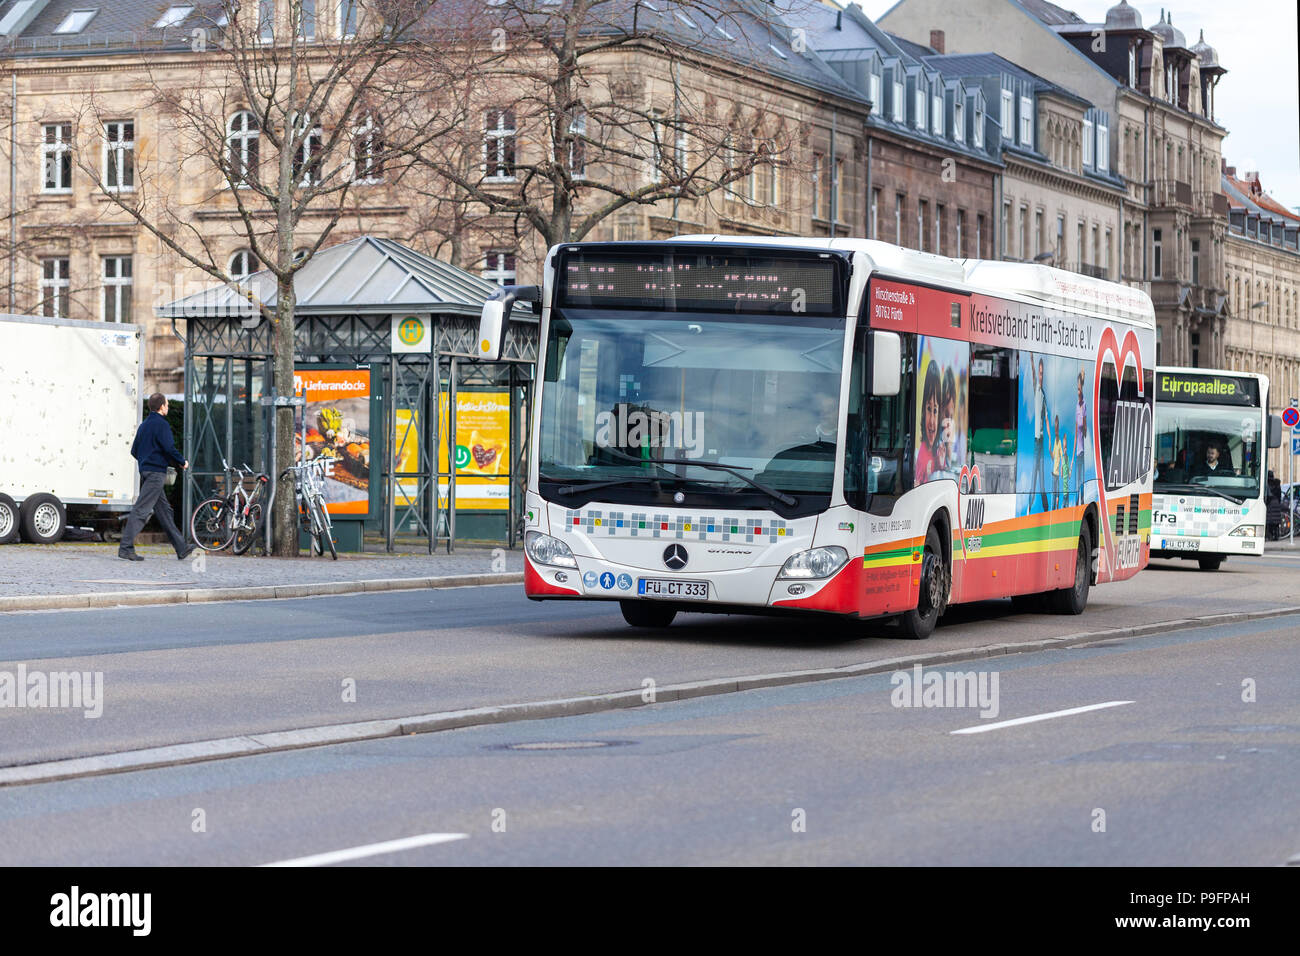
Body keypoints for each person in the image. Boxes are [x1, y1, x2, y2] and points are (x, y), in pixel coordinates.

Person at [120, 393, 193, 562]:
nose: (167, 407)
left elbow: (134, 450)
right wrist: (182, 462)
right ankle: (125, 547)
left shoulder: (144, 425)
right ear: (161, 407)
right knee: (142, 510)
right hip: (156, 474)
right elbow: (169, 448)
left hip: (146, 471)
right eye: (166, 405)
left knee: (164, 511)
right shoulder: (162, 425)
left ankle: (181, 548)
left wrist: (146, 462)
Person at [915, 362, 942, 483]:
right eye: (928, 409)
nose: (931, 421)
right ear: (923, 412)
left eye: (935, 410)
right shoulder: (922, 456)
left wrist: (941, 464)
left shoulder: (937, 452)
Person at [1029, 357, 1049, 512]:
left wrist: (1049, 441)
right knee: (1033, 480)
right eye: (1040, 373)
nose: (1040, 376)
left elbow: (1047, 419)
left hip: (1042, 443)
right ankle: (1029, 507)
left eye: (1043, 374)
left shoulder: (1044, 395)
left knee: (1042, 480)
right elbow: (1033, 372)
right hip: (1035, 443)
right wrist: (1031, 358)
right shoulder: (1036, 390)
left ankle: (1046, 508)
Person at [1074, 370, 1087, 501]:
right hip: (1077, 453)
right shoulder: (1076, 407)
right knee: (1077, 479)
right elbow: (1075, 432)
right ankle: (1079, 500)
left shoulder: (1084, 405)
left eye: (1080, 388)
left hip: (1082, 452)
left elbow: (1085, 430)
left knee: (1081, 478)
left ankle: (1081, 500)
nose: (1079, 391)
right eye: (1077, 389)